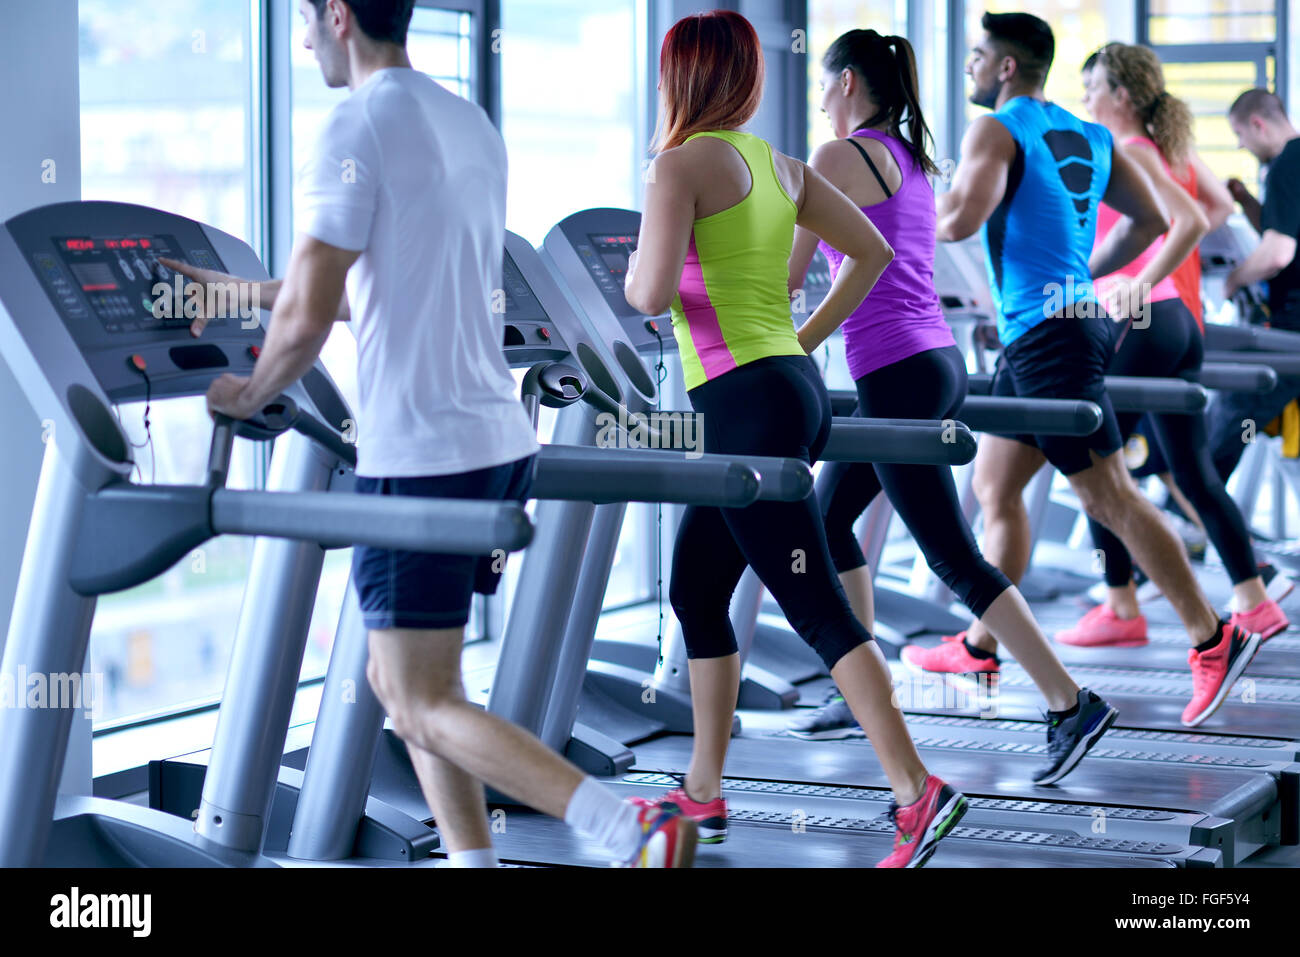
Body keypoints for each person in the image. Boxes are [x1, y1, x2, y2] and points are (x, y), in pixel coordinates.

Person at [165, 0, 696, 868]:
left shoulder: (355, 121)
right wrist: (225, 295)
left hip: (421, 451)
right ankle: (470, 857)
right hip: (493, 443)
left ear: (337, 15)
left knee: (414, 697)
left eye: (303, 18)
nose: (299, 39)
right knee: (412, 682)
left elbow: (305, 318)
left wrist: (246, 392)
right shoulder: (467, 121)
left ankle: (628, 827)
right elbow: (346, 290)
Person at [624, 10, 966, 867]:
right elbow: (871, 252)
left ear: (681, 78)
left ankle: (915, 790)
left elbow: (647, 291)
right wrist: (800, 338)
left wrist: (646, 248)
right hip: (792, 392)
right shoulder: (778, 165)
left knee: (812, 603)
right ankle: (703, 788)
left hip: (746, 406)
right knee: (698, 590)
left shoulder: (676, 166)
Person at [783, 27, 1115, 785]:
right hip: (936, 363)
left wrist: (795, 337)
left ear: (845, 85)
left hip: (897, 371)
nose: (820, 100)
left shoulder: (837, 157)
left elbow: (800, 272)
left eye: (823, 85)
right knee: (831, 519)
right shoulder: (912, 160)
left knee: (951, 552)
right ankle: (859, 684)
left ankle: (1071, 702)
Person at [934, 12, 1260, 728]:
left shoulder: (997, 129)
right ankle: (980, 645)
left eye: (978, 56)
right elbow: (1150, 223)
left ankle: (1213, 636)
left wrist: (881, 215)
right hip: (1051, 330)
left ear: (1008, 67)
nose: (971, 68)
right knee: (994, 484)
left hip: (1051, 337)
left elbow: (958, 219)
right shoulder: (1090, 136)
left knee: (1110, 495)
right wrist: (1080, 274)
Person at [1042, 42, 1287, 647]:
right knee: (1191, 470)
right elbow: (1216, 205)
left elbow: (1193, 221)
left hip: (1143, 315)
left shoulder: (1125, 150)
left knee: (1094, 464)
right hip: (1180, 320)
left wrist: (1136, 278)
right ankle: (1253, 599)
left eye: (1093, 88)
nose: (1084, 99)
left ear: (1120, 95)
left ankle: (1122, 607)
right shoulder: (1169, 146)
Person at [1202, 89, 1300, 482]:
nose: (1240, 144)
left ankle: (1192, 519)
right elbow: (1285, 232)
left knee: (1226, 422)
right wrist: (1245, 202)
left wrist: (1231, 280)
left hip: (1292, 330)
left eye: (1240, 134)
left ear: (1258, 124)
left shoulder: (1286, 165)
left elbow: (1278, 252)